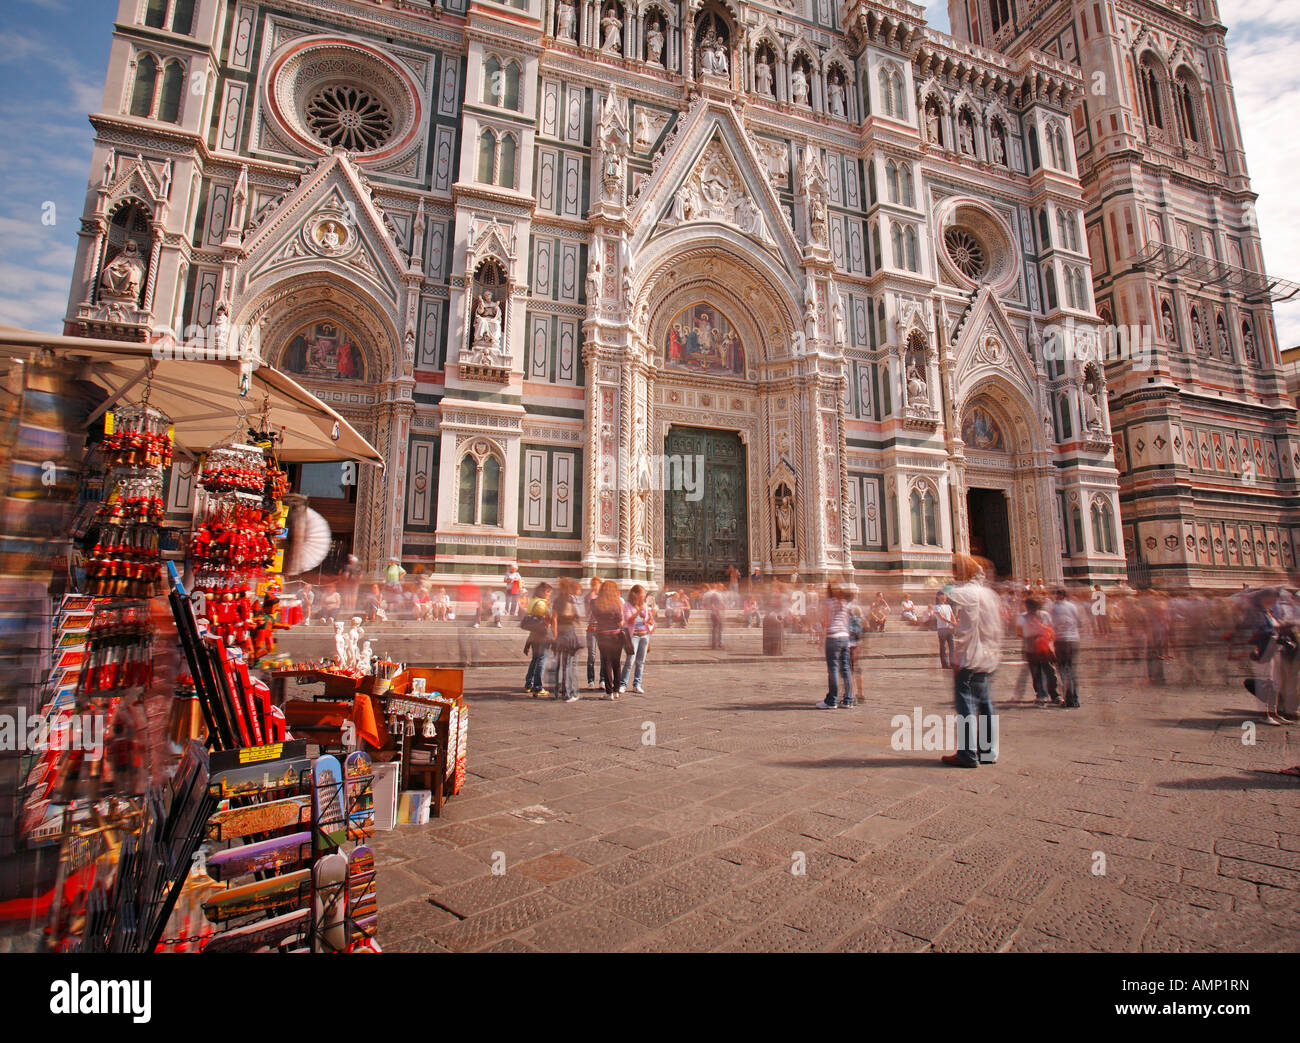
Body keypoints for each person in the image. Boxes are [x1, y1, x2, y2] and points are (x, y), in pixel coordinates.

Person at [942, 555, 1003, 767]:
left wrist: (941, 583)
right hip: (989, 657)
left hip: (969, 656)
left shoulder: (968, 592)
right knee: (985, 704)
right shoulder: (991, 594)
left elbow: (948, 592)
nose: (954, 573)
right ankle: (987, 752)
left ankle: (967, 753)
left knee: (966, 703)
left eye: (957, 570)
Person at [816, 584, 859, 709]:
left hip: (833, 637)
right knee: (845, 668)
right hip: (845, 637)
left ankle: (832, 701)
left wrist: (821, 636)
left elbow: (826, 621)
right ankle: (848, 700)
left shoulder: (829, 603)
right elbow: (846, 621)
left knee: (833, 669)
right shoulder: (845, 603)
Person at [1018, 596, 1059, 705]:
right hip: (1044, 645)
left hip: (1031, 646)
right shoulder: (1045, 615)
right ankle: (1054, 694)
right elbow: (1051, 628)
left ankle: (1041, 695)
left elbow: (1019, 632)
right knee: (1049, 671)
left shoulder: (1023, 617)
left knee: (1037, 672)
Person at [592, 580, 627, 699]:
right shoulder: (617, 604)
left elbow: (595, 616)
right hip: (616, 635)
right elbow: (620, 622)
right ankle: (616, 690)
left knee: (606, 662)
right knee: (616, 663)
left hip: (603, 635)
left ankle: (609, 692)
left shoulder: (595, 602)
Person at [551, 577, 583, 702]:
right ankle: (568, 692)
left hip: (559, 633)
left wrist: (554, 634)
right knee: (568, 664)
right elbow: (573, 616)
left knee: (559, 663)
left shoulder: (557, 600)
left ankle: (556, 692)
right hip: (568, 633)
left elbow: (554, 618)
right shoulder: (570, 599)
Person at [620, 584, 655, 694]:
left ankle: (637, 684)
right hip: (633, 635)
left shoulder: (644, 604)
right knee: (630, 660)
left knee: (641, 661)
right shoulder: (627, 605)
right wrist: (638, 612)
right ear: (636, 594)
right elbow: (628, 620)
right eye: (642, 593)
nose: (644, 595)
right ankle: (623, 684)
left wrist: (650, 616)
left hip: (644, 634)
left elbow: (647, 620)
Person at [1051, 588, 1082, 708]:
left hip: (1060, 641)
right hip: (1074, 640)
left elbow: (1050, 624)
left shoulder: (1054, 608)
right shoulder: (1072, 606)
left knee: (1063, 671)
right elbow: (1079, 622)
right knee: (1072, 670)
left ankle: (1068, 700)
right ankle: (1075, 698)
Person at [521, 583, 553, 697]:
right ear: (543, 592)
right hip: (542, 635)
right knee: (541, 659)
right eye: (548, 592)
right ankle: (538, 687)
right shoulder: (541, 604)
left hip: (533, 635)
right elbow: (550, 617)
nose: (549, 595)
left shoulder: (532, 601)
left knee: (535, 659)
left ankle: (528, 684)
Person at [584, 576, 602, 690]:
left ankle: (603, 680)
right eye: (593, 585)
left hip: (602, 629)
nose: (594, 587)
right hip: (591, 629)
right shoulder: (587, 597)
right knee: (592, 655)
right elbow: (586, 614)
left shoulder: (604, 598)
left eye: (596, 584)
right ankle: (590, 680)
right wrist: (589, 601)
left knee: (604, 656)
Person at [933, 590, 956, 669]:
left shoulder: (948, 606)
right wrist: (951, 622)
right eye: (942, 597)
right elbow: (941, 617)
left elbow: (952, 615)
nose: (944, 598)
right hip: (942, 628)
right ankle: (945, 664)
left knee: (952, 646)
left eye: (944, 597)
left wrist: (954, 622)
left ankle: (953, 663)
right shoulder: (936, 607)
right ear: (938, 598)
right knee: (943, 647)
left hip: (949, 628)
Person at [702, 584, 725, 649]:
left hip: (716, 613)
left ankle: (718, 644)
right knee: (716, 629)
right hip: (715, 613)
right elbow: (713, 604)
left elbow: (720, 603)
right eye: (721, 587)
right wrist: (716, 612)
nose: (722, 588)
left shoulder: (718, 594)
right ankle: (715, 644)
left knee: (717, 629)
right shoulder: (715, 594)